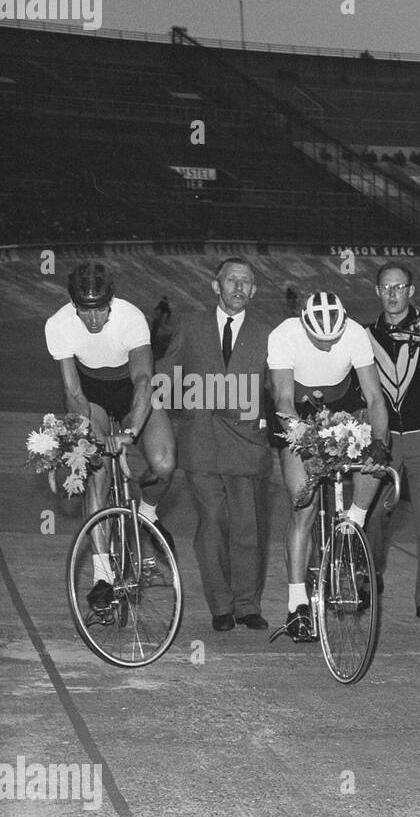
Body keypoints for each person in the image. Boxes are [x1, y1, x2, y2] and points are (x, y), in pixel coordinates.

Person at [45, 262, 176, 611]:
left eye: (99, 310)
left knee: (164, 464)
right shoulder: (58, 324)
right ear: (74, 305)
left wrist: (131, 432)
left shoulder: (130, 318)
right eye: (84, 311)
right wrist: (90, 439)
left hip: (131, 390)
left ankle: (147, 513)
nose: (92, 320)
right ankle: (102, 576)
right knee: (98, 472)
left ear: (111, 302)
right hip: (91, 398)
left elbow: (144, 382)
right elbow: (73, 392)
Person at [268, 292, 390, 643]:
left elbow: (374, 396)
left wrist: (379, 443)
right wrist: (305, 444)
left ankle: (353, 525)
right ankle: (296, 606)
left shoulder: (353, 333)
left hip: (341, 406)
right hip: (297, 413)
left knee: (375, 456)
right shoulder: (284, 334)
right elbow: (284, 401)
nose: (327, 345)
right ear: (304, 325)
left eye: (332, 339)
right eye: (319, 339)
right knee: (303, 505)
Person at [163, 256, 273, 632]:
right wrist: (146, 412)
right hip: (202, 444)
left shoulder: (266, 334)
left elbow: (279, 389)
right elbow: (167, 374)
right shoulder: (190, 325)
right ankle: (221, 607)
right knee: (212, 523)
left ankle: (247, 605)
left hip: (247, 446)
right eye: (231, 280)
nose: (238, 288)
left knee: (248, 527)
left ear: (254, 291)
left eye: (245, 282)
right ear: (216, 285)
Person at [366, 262, 420, 624]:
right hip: (383, 438)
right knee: (372, 516)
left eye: (399, 287)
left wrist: (408, 336)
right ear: (377, 291)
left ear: (411, 291)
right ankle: (370, 576)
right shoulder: (366, 334)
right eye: (386, 288)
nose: (393, 294)